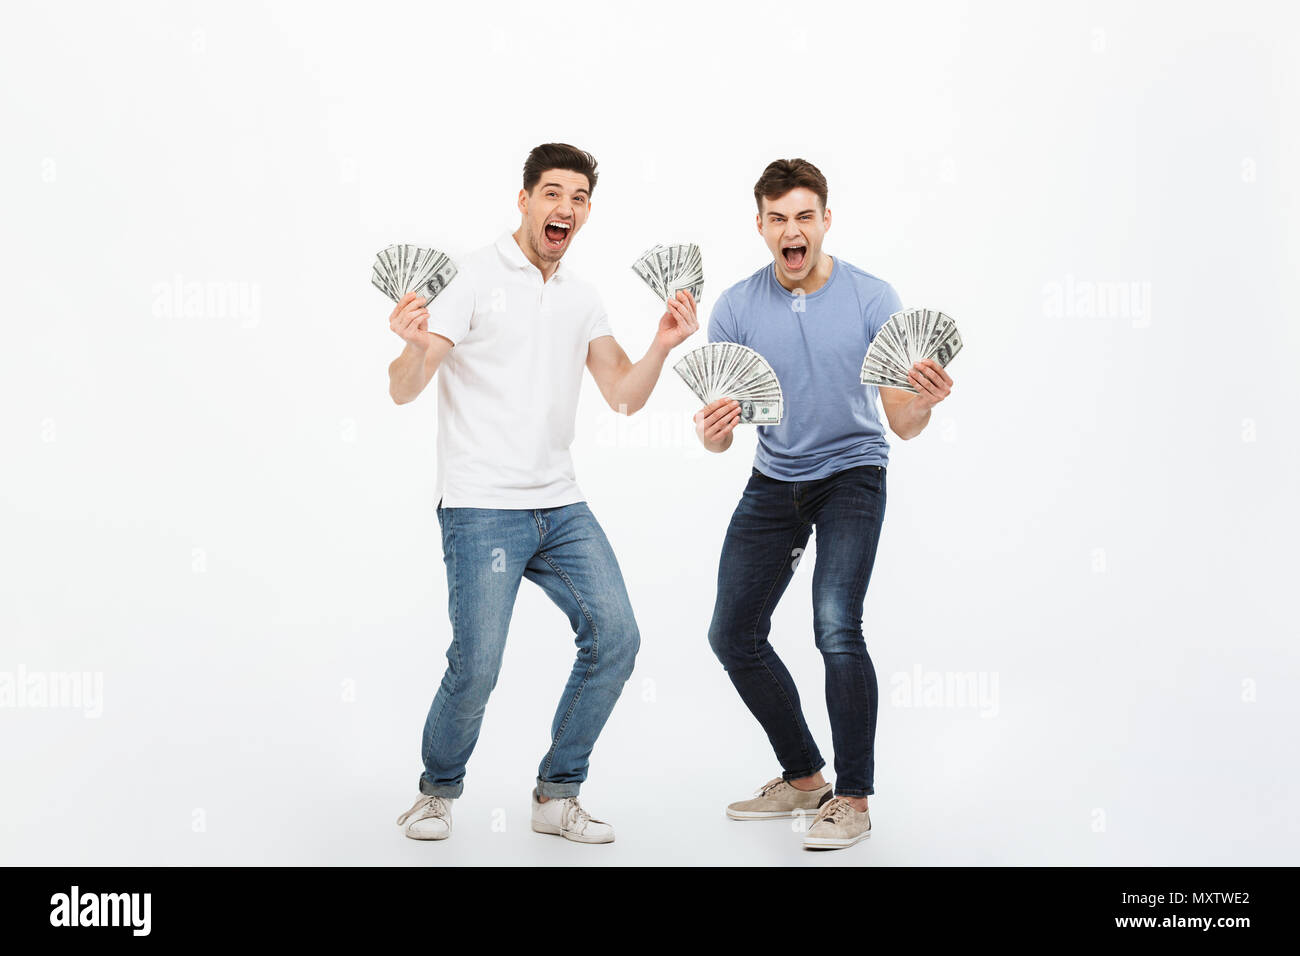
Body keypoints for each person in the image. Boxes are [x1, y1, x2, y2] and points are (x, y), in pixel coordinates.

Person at [388, 143, 699, 844]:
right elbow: (406, 388)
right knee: (478, 664)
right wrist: (411, 345)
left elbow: (622, 394)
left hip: (559, 506)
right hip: (480, 508)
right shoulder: (469, 277)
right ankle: (437, 792)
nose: (565, 207)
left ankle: (558, 794)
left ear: (588, 211)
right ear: (524, 199)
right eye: (552, 193)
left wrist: (663, 345)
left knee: (616, 637)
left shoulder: (582, 297)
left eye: (579, 197)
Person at [694, 158, 953, 850]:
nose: (792, 230)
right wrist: (711, 433)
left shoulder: (872, 298)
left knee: (836, 621)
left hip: (852, 471)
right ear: (761, 227)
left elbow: (901, 423)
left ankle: (854, 798)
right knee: (731, 633)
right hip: (776, 476)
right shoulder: (735, 307)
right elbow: (723, 430)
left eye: (804, 216)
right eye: (777, 219)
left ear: (825, 221)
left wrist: (922, 401)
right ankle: (805, 776)